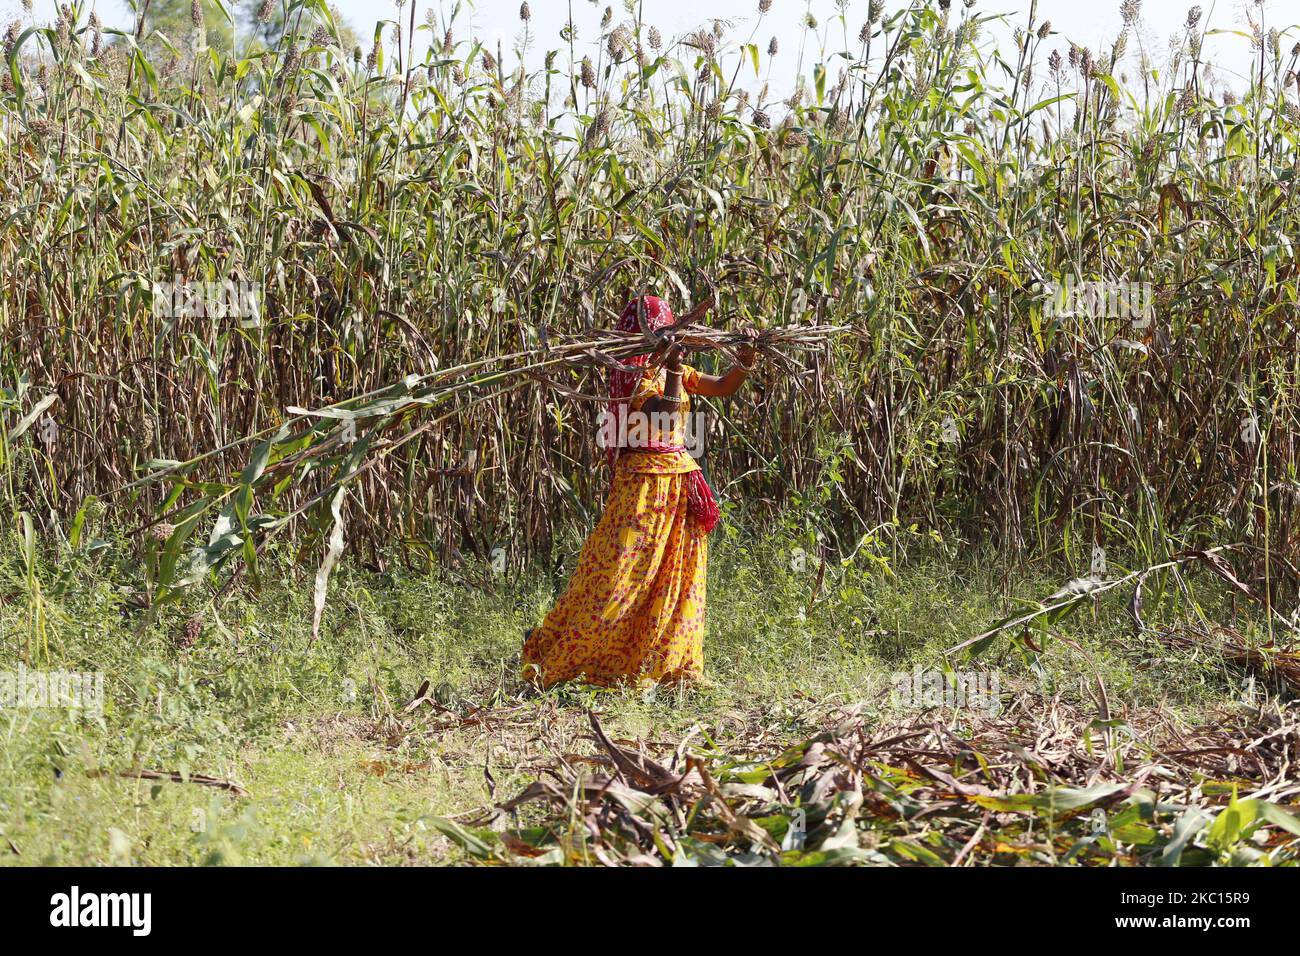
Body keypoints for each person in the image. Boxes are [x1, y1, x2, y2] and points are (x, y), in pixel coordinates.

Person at [521, 295, 758, 687]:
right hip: (642, 490)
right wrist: (674, 369)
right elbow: (663, 414)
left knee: (675, 578)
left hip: (679, 485)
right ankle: (586, 657)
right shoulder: (633, 375)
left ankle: (668, 664)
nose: (666, 336)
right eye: (658, 329)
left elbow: (723, 386)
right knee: (623, 574)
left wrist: (745, 357)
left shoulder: (666, 367)